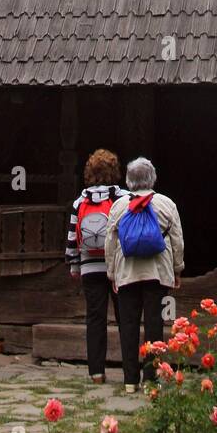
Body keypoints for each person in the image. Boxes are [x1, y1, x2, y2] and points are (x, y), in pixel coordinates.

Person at [105, 156, 184, 394]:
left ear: (129, 181)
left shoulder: (118, 206)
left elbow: (110, 241)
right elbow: (177, 240)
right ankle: (151, 377)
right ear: (153, 178)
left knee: (127, 325)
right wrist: (177, 268)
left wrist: (111, 272)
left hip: (127, 273)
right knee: (154, 325)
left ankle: (130, 380)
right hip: (157, 272)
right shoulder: (166, 204)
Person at [65, 149, 127, 384]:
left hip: (90, 267)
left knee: (95, 319)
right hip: (117, 268)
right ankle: (129, 369)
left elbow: (73, 237)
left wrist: (74, 265)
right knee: (125, 318)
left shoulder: (79, 202)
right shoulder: (123, 198)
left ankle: (96, 373)